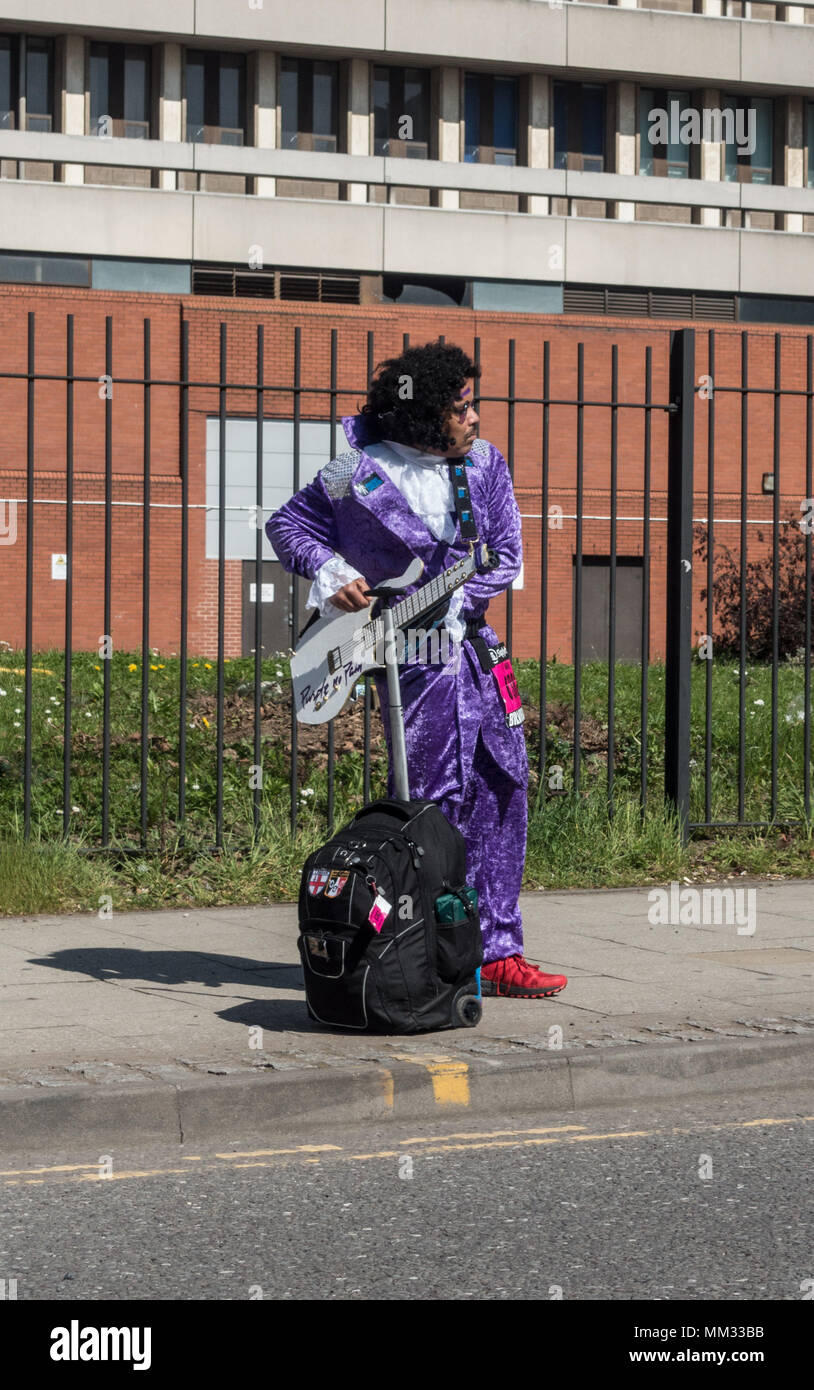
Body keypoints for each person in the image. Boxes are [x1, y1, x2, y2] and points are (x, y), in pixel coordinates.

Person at [266, 339, 567, 999]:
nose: (475, 418)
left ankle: (498, 950)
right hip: (411, 660)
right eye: (461, 409)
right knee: (437, 803)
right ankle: (438, 953)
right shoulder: (357, 473)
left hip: (475, 648)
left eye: (473, 404)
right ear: (423, 416)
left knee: (504, 785)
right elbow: (288, 527)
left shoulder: (484, 465)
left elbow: (506, 551)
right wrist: (335, 573)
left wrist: (464, 597)